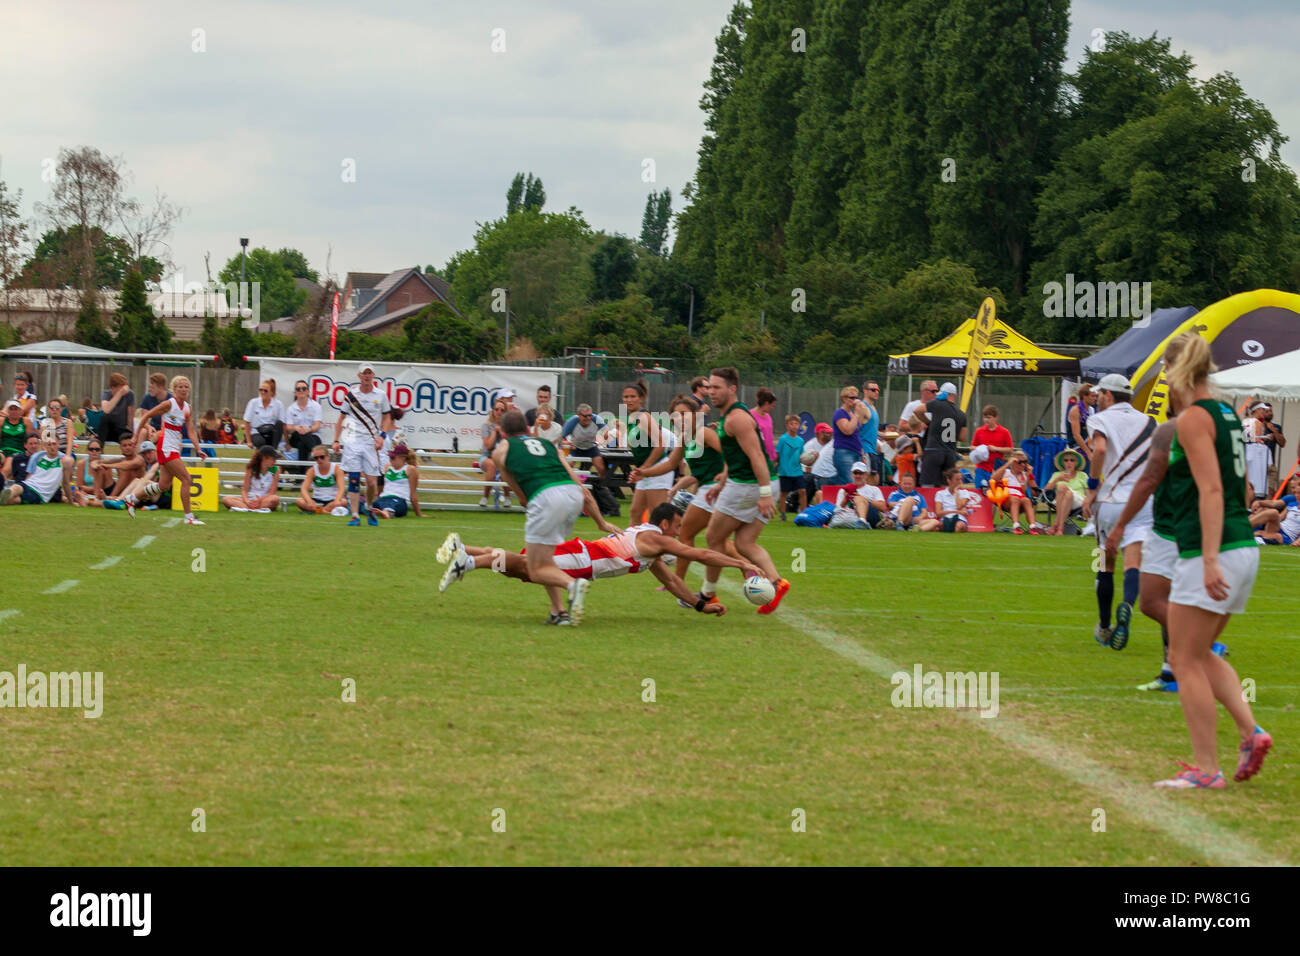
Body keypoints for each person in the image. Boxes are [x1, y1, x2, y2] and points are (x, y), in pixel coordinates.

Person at [1139, 332, 1270, 790]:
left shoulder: (1194, 418)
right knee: (1199, 653)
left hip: (1213, 549)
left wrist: (1209, 559)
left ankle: (1206, 770)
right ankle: (1251, 732)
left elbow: (1212, 489)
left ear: (1174, 373)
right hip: (1241, 547)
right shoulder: (1228, 414)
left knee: (1183, 657)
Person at [437, 502, 763, 614]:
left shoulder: (652, 548)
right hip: (583, 559)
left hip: (582, 558)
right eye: (677, 526)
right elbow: (698, 553)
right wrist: (741, 563)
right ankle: (469, 561)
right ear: (665, 524)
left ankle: (467, 550)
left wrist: (700, 605)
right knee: (524, 567)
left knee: (520, 569)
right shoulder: (655, 538)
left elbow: (673, 580)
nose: (679, 532)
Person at [490, 409, 608, 625]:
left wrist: (525, 499)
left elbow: (515, 488)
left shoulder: (501, 450)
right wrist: (600, 521)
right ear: (527, 429)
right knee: (547, 561)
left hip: (546, 497)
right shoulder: (546, 444)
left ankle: (572, 585)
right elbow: (577, 482)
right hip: (572, 495)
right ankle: (559, 612)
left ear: (503, 432)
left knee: (535, 569)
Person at [697, 367, 790, 614]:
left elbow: (756, 455)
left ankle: (707, 594)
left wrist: (764, 494)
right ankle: (776, 582)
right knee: (745, 542)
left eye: (717, 387)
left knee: (713, 538)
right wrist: (721, 482)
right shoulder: (732, 415)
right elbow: (736, 455)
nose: (711, 392)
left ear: (732, 389)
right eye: (709, 387)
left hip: (749, 485)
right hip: (758, 482)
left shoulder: (736, 418)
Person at [1083, 373, 1156, 650]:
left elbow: (1100, 449)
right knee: (1133, 561)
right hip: (1142, 501)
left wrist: (1092, 486)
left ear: (1109, 395)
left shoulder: (1099, 419)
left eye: (1099, 394)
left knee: (1105, 563)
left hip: (1112, 501)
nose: (1097, 398)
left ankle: (1103, 626)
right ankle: (1127, 605)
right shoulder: (1150, 421)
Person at [629, 395, 726, 591]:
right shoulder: (684, 438)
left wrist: (724, 474)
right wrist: (643, 472)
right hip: (709, 491)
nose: (679, 419)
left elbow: (728, 452)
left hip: (719, 489)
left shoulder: (704, 433)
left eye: (683, 414)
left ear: (695, 415)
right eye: (675, 415)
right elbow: (670, 464)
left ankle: (682, 584)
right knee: (720, 540)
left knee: (690, 533)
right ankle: (751, 569)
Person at [133, 375, 209, 526]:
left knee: (163, 486)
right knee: (187, 479)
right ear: (174, 389)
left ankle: (132, 499)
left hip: (173, 447)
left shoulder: (188, 408)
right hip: (165, 447)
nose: (183, 389)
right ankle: (189, 517)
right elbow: (147, 415)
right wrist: (136, 436)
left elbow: (191, 431)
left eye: (186, 386)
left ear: (189, 390)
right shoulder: (169, 404)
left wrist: (198, 448)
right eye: (180, 386)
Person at [332, 362, 394, 527]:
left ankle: (369, 507)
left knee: (372, 482)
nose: (367, 376)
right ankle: (355, 516)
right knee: (353, 480)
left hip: (371, 443)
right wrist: (336, 440)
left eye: (369, 373)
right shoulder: (351, 395)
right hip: (353, 442)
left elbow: (387, 417)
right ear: (359, 376)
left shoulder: (380, 395)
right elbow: (341, 418)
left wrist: (382, 436)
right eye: (364, 373)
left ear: (373, 375)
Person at [621, 379, 672, 525]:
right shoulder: (632, 418)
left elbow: (660, 445)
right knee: (635, 513)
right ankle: (633, 546)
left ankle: (666, 547)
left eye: (633, 396)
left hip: (656, 469)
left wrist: (644, 468)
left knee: (657, 517)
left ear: (641, 398)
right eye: (626, 397)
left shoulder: (644, 417)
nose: (629, 400)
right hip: (645, 471)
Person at [0, 431, 72, 506]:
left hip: (40, 493)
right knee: (17, 487)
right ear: (45, 446)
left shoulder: (64, 460)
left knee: (14, 500)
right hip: (28, 484)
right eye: (49, 444)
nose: (52, 447)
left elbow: (66, 482)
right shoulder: (38, 457)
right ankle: (9, 492)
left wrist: (71, 501)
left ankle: (5, 497)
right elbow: (30, 475)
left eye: (54, 444)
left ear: (58, 444)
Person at [919, 382, 967, 487]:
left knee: (928, 486)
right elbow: (962, 438)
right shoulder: (962, 414)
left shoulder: (937, 404)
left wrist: (928, 422)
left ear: (946, 394)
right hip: (950, 453)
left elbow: (917, 410)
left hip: (933, 451)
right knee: (947, 487)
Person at [990, 450, 1039, 534]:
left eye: (1025, 462)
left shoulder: (1024, 474)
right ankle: (1016, 526)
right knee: (1015, 499)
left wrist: (1029, 476)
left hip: (1020, 500)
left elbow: (1032, 492)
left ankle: (1032, 526)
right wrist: (1008, 464)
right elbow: (993, 479)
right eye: (1020, 462)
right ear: (1013, 463)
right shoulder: (1006, 472)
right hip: (1006, 499)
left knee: (1026, 500)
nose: (1023, 464)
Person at [1044, 448, 1088, 535]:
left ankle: (1055, 524)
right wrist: (1058, 479)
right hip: (1060, 500)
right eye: (1066, 460)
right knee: (1066, 493)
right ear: (1063, 462)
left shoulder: (1082, 475)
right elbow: (1046, 490)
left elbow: (1088, 492)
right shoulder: (1057, 474)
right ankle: (1060, 528)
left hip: (1078, 502)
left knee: (1063, 489)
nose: (1069, 462)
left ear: (1076, 463)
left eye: (1072, 460)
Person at [222, 447, 281, 512]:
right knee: (226, 499)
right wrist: (247, 500)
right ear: (264, 458)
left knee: (275, 499)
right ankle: (256, 509)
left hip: (265, 499)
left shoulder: (276, 470)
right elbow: (244, 490)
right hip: (251, 500)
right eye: (273, 459)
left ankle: (247, 509)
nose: (275, 461)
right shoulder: (251, 468)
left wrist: (259, 500)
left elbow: (272, 492)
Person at [372, 444, 423, 518]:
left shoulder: (410, 469)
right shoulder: (388, 467)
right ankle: (381, 512)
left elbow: (413, 495)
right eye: (390, 457)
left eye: (393, 457)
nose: (390, 459)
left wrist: (419, 514)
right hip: (383, 498)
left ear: (403, 458)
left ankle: (386, 513)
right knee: (374, 504)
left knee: (392, 505)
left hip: (399, 499)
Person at [560, 404, 608, 484]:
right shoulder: (572, 422)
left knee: (601, 468)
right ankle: (567, 484)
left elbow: (606, 430)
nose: (588, 418)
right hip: (575, 447)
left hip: (591, 447)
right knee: (568, 466)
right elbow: (560, 438)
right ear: (579, 416)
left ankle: (601, 486)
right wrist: (567, 443)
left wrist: (605, 435)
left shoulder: (596, 419)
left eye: (590, 415)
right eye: (585, 416)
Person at [830, 386, 868, 484]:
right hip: (844, 452)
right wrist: (856, 414)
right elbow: (848, 430)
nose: (854, 400)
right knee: (851, 483)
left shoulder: (852, 413)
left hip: (856, 452)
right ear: (844, 398)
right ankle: (822, 482)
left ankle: (828, 484)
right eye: (852, 398)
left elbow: (856, 432)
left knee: (857, 482)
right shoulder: (840, 413)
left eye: (856, 397)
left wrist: (861, 452)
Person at [1248, 474, 1300, 545]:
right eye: (1293, 489)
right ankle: (1244, 527)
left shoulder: (1292, 500)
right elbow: (1280, 516)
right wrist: (1264, 510)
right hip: (1279, 528)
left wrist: (1297, 541)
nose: (1296, 495)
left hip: (1287, 536)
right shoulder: (1292, 504)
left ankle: (1258, 536)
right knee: (1273, 512)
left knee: (1274, 535)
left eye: (1298, 493)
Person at [970, 405, 1014, 489]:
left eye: (989, 417)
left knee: (994, 492)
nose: (986, 420)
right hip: (981, 467)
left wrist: (996, 448)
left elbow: (1010, 449)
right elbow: (972, 447)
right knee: (980, 490)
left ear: (996, 417)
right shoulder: (979, 431)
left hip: (996, 469)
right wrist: (980, 449)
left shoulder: (1004, 432)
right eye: (985, 417)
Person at [478, 398, 509, 509]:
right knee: (492, 465)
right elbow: (488, 446)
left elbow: (510, 443)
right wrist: (495, 431)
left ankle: (507, 497)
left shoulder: (508, 426)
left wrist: (502, 431)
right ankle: (485, 497)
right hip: (487, 456)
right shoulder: (486, 425)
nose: (499, 412)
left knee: (503, 465)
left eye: (502, 410)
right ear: (493, 411)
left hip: (503, 457)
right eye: (496, 409)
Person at [297, 446, 347, 514]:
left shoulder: (337, 469)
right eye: (316, 458)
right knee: (299, 501)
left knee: (343, 502)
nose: (319, 460)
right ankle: (325, 511)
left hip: (332, 500)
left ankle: (318, 511)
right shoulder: (312, 470)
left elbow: (341, 488)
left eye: (322, 457)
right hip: (317, 500)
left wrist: (337, 500)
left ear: (328, 456)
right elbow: (304, 489)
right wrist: (309, 501)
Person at [282, 380, 324, 460]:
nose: (301, 390)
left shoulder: (316, 406)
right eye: (298, 389)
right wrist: (296, 428)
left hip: (313, 435)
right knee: (302, 433)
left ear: (308, 391)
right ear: (295, 392)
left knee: (302, 444)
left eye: (304, 388)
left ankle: (302, 471)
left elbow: (317, 426)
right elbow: (288, 428)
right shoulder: (291, 409)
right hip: (296, 436)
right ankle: (316, 453)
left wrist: (308, 429)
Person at [775, 414, 807, 520]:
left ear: (799, 425)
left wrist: (810, 459)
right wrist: (775, 467)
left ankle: (804, 513)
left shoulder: (800, 441)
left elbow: (802, 456)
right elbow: (777, 455)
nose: (794, 426)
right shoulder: (783, 439)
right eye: (791, 424)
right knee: (784, 493)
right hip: (785, 471)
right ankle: (783, 514)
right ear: (787, 426)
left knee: (802, 491)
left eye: (796, 424)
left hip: (797, 471)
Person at [934, 466, 979, 533]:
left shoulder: (965, 492)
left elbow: (959, 506)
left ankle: (949, 528)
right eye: (957, 480)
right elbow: (938, 513)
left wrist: (956, 492)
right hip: (945, 518)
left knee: (959, 526)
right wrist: (956, 512)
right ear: (949, 480)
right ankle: (948, 526)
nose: (960, 482)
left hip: (960, 519)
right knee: (938, 524)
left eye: (961, 479)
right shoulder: (940, 493)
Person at [243, 379, 285, 451]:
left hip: (271, 432)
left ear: (271, 392)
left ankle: (274, 451)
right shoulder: (253, 402)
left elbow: (282, 425)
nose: (262, 392)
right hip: (256, 432)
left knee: (279, 423)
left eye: (265, 390)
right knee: (260, 442)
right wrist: (249, 441)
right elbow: (247, 422)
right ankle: (269, 455)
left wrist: (287, 442)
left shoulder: (278, 404)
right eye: (260, 390)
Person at [97, 372, 135, 447]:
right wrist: (119, 394)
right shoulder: (106, 394)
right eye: (121, 387)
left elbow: (130, 417)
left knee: (130, 438)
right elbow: (106, 410)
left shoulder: (129, 394)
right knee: (104, 417)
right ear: (113, 387)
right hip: (107, 431)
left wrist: (132, 434)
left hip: (120, 430)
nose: (124, 390)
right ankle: (100, 449)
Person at [1242, 403, 1271, 502]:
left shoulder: (1244, 421)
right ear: (1257, 410)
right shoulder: (1257, 422)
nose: (1264, 412)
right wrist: (1267, 438)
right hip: (1255, 453)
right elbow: (1257, 439)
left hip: (1245, 450)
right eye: (1263, 410)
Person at [136, 372, 170, 442]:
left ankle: (153, 451)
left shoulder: (170, 400)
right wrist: (149, 427)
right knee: (143, 432)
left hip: (167, 429)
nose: (149, 389)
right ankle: (139, 453)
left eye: (152, 387)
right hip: (153, 427)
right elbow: (143, 419)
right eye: (149, 387)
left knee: (156, 436)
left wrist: (157, 434)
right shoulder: (147, 398)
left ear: (161, 387)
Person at [804, 422, 837, 491]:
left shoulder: (832, 444)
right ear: (818, 434)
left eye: (830, 432)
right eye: (827, 432)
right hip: (811, 474)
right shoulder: (810, 445)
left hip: (829, 474)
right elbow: (805, 466)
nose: (830, 435)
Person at [859, 380, 882, 475]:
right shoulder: (862, 407)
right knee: (867, 480)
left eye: (878, 390)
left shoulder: (873, 408)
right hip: (865, 450)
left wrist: (886, 435)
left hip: (873, 451)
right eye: (873, 390)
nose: (876, 392)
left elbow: (872, 430)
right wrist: (861, 451)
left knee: (873, 481)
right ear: (865, 391)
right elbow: (856, 430)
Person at [751, 387, 778, 470]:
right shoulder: (750, 416)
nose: (773, 408)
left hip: (769, 458)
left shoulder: (768, 417)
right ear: (766, 403)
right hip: (758, 458)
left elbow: (769, 437)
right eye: (772, 406)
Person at [1067, 383, 1096, 454]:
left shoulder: (1091, 410)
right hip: (1074, 449)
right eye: (1092, 396)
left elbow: (1091, 432)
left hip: (1087, 446)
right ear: (1084, 396)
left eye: (1096, 396)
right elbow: (1076, 435)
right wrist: (1088, 452)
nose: (1095, 398)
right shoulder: (1075, 410)